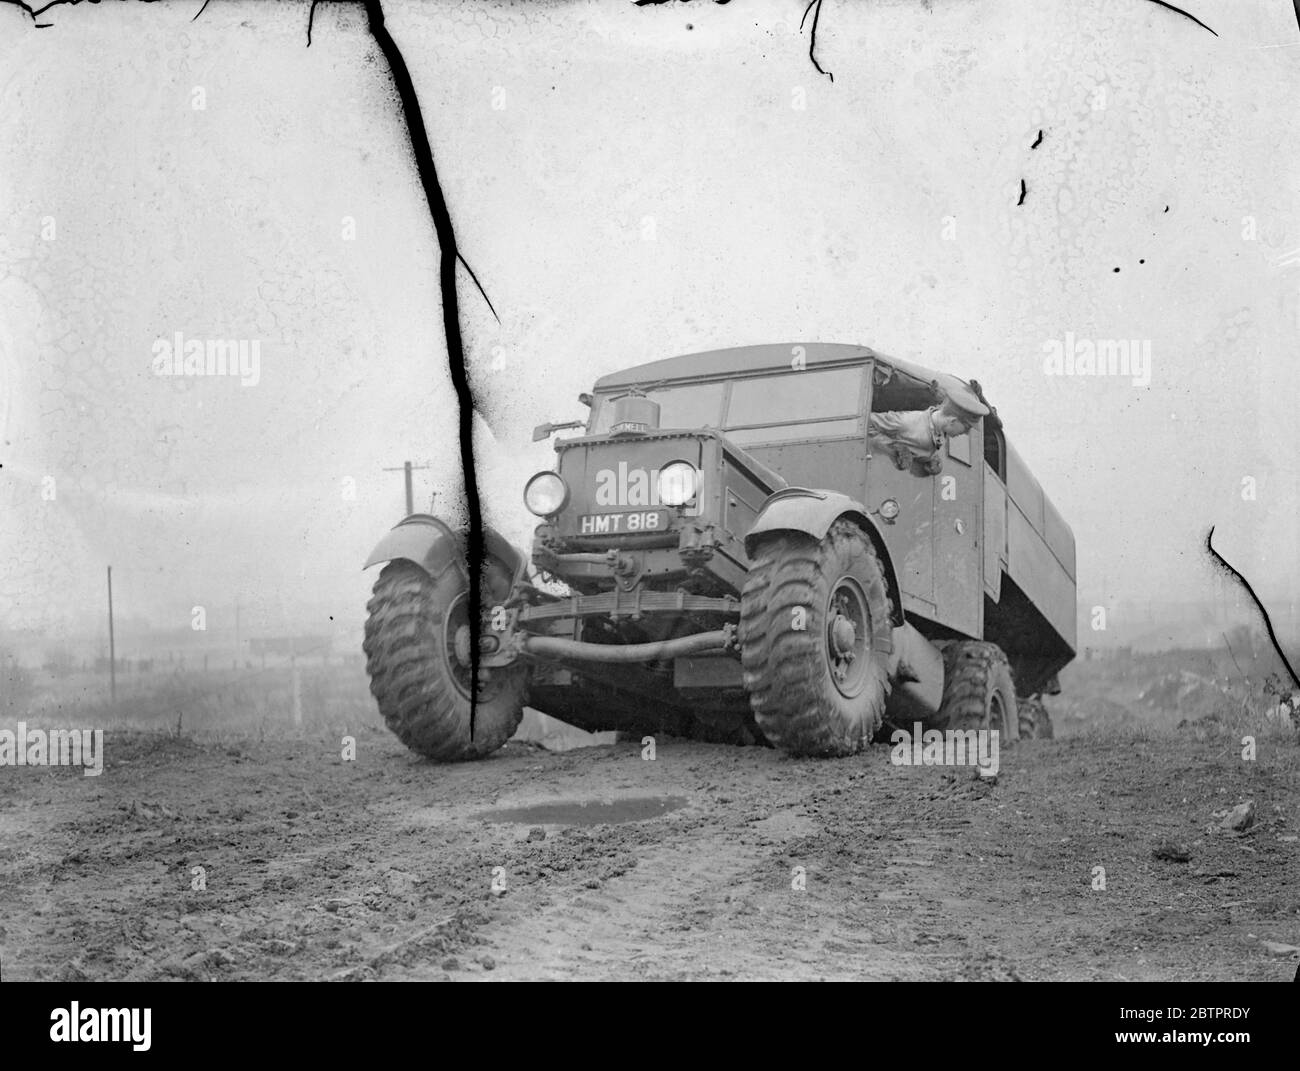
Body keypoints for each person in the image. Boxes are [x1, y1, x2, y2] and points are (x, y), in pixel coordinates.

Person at [868, 375, 989, 476]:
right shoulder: (906, 423)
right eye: (966, 427)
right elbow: (866, 422)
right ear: (952, 421)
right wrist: (893, 447)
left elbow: (917, 445)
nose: (966, 433)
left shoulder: (939, 429)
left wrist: (929, 460)